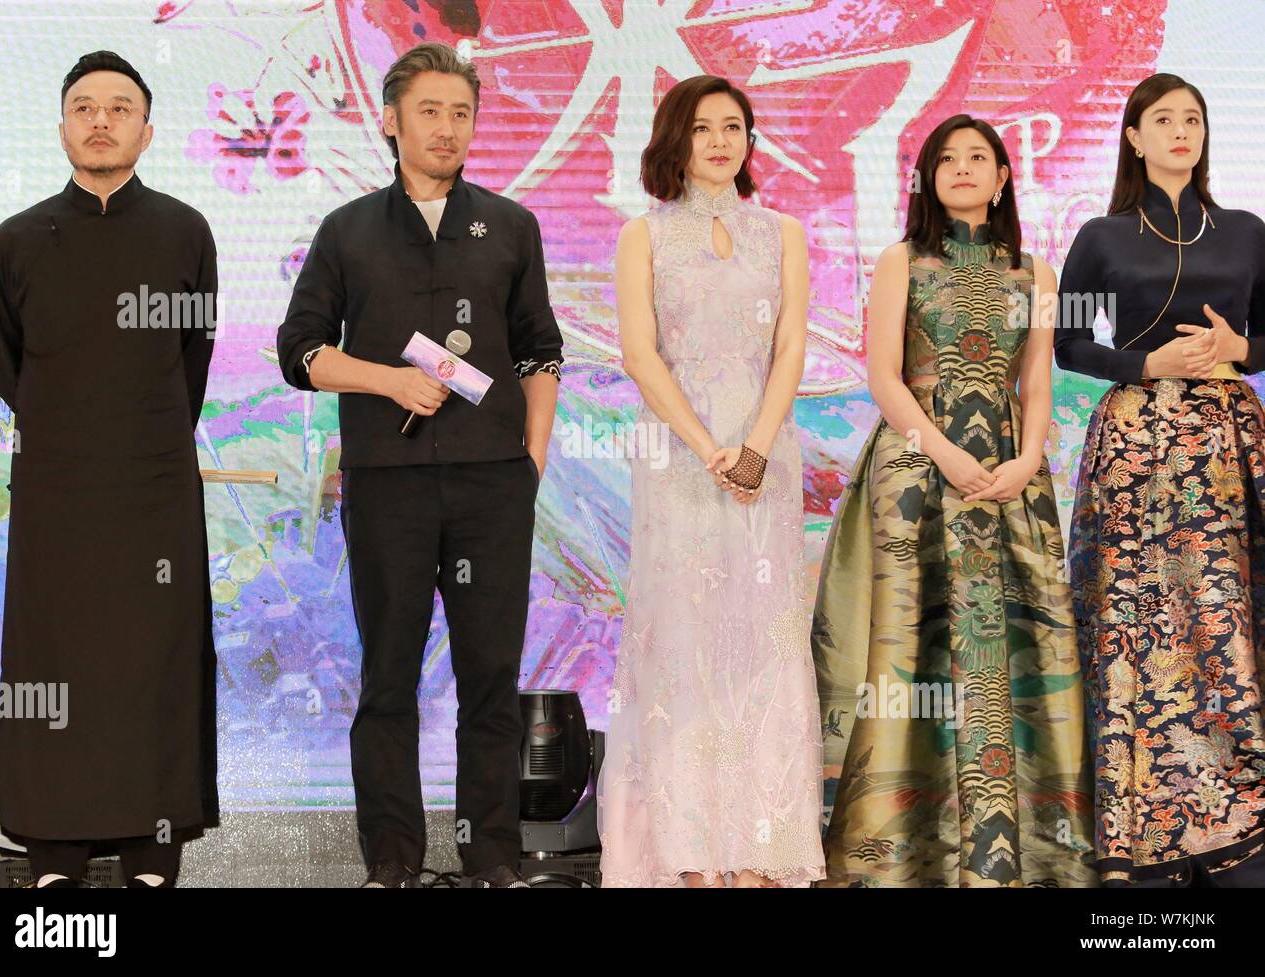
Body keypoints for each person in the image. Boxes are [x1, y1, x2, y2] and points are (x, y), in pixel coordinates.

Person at [276, 42, 562, 889]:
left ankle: (494, 860)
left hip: (493, 482)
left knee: (491, 681)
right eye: (429, 111)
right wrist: (386, 378)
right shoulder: (348, 230)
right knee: (388, 676)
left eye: (462, 112)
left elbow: (540, 354)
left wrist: (531, 461)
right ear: (392, 120)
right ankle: (393, 863)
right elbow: (299, 351)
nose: (446, 128)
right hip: (387, 480)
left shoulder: (511, 225)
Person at [811, 115, 1095, 887]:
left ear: (1004, 177)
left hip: (1010, 479)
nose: (964, 169)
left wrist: (1028, 456)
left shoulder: (1035, 273)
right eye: (948, 159)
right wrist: (943, 452)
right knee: (912, 655)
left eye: (980, 158)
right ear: (927, 178)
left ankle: (1027, 856)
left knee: (1015, 658)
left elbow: (1036, 382)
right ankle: (901, 859)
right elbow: (883, 376)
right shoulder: (902, 259)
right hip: (915, 474)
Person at [0, 50, 219, 888]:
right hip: (56, 491)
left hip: (155, 486)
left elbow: (193, 363)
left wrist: (139, 439)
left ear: (147, 131)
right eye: (85, 107)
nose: (101, 120)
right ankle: (52, 859)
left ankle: (155, 860)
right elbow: (10, 369)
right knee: (52, 669)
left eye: (120, 107)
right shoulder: (16, 240)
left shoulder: (186, 231)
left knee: (156, 666)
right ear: (61, 129)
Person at [596, 75, 825, 888]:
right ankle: (689, 855)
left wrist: (756, 445)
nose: (721, 142)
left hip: (766, 455)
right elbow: (638, 354)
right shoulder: (643, 236)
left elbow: (792, 343)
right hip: (679, 461)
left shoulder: (784, 234)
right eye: (703, 129)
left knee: (763, 644)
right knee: (685, 645)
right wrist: (708, 448)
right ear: (674, 141)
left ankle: (764, 848)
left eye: (735, 127)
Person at [1056, 73, 1265, 887]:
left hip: (1225, 444)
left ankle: (1241, 810)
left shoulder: (1247, 232)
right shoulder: (1102, 236)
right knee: (1141, 625)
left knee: (1225, 618)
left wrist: (1238, 351)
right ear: (1134, 138)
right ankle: (1146, 822)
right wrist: (1144, 362)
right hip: (1137, 447)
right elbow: (1069, 346)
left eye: (1193, 119)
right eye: (1163, 120)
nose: (1182, 131)